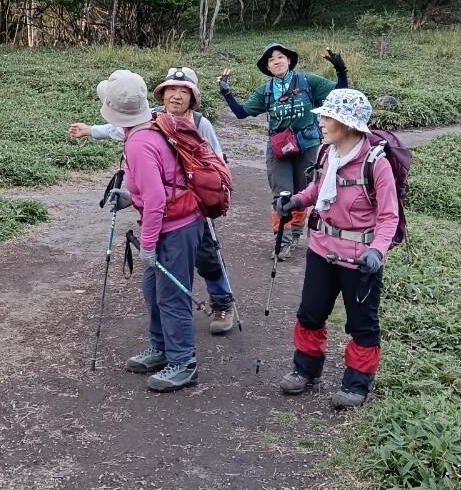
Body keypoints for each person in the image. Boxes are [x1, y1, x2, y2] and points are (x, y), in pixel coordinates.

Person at [69, 67, 234, 335]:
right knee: (171, 266)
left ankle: (222, 302)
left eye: (184, 91)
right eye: (171, 89)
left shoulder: (201, 124)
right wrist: (92, 131)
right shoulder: (152, 119)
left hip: (192, 203)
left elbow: (216, 160)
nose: (177, 96)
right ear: (161, 93)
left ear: (193, 97)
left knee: (207, 256)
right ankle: (169, 335)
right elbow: (120, 128)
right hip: (168, 208)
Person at [274, 89, 399, 409]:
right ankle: (305, 369)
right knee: (310, 313)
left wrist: (377, 251)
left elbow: (388, 217)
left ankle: (356, 385)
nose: (322, 122)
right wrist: (297, 201)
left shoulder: (376, 164)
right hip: (321, 248)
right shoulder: (328, 154)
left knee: (361, 323)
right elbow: (318, 187)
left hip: (360, 260)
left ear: (348, 124)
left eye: (328, 117)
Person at [94, 69, 204, 393]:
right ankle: (160, 349)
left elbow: (156, 201)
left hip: (176, 228)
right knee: (153, 291)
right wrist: (128, 197)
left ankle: (184, 364)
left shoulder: (140, 142)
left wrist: (148, 245)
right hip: (173, 224)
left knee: (172, 298)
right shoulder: (146, 128)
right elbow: (158, 184)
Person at [218, 44, 348, 261]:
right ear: (268, 68)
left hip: (307, 145)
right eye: (271, 59)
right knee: (282, 194)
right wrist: (226, 92)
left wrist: (340, 69)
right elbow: (241, 113)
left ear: (289, 61)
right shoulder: (266, 91)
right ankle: (283, 242)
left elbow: (340, 93)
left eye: (280, 57)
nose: (276, 61)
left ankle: (296, 233)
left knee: (302, 192)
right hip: (279, 148)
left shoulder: (308, 82)